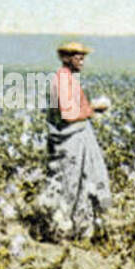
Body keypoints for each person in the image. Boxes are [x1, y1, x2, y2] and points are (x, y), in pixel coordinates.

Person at [36, 41, 113, 240]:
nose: (82, 61)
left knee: (79, 183)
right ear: (66, 59)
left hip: (74, 138)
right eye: (78, 57)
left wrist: (90, 107)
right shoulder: (62, 79)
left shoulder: (68, 78)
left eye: (83, 57)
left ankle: (79, 229)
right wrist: (93, 109)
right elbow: (69, 114)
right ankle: (65, 232)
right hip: (69, 142)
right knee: (71, 184)